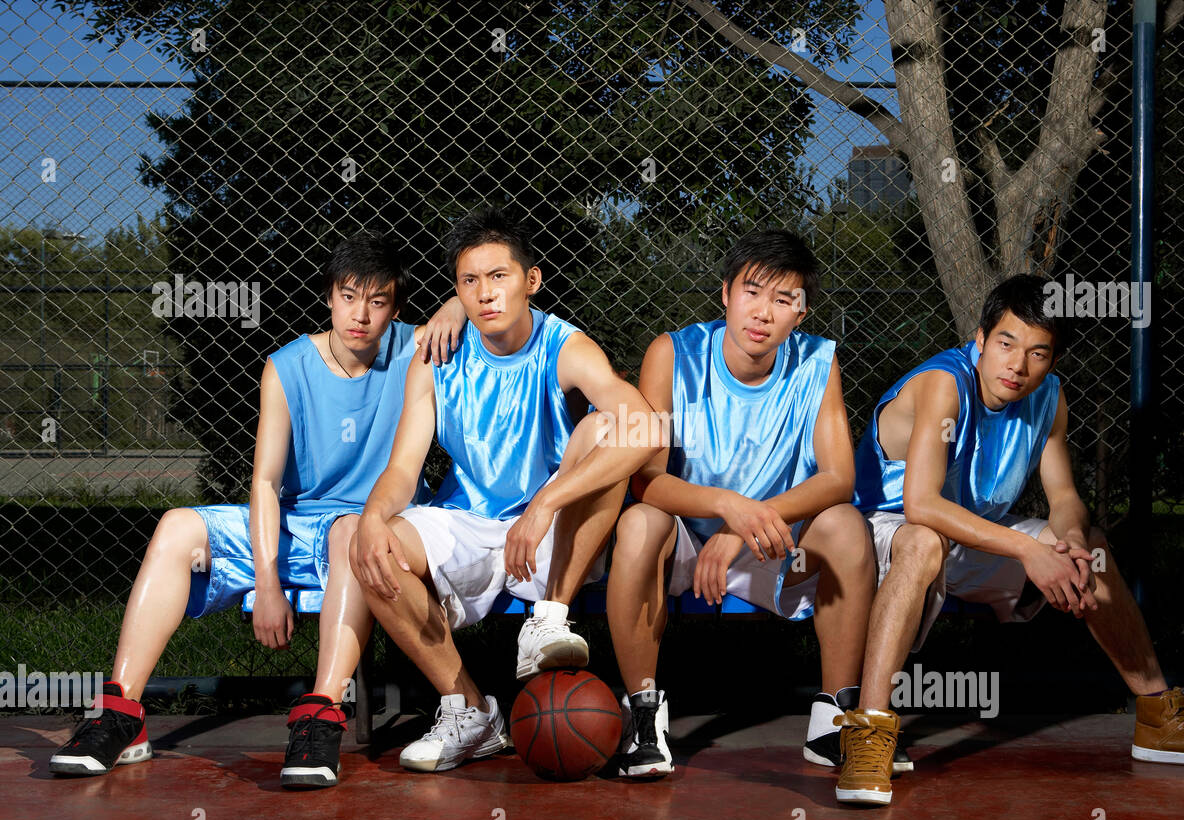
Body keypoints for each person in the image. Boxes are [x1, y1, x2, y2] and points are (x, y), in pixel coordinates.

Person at [839, 273, 1184, 805]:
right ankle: (869, 731)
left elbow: (1063, 495)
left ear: (1053, 359)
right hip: (881, 535)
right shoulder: (944, 385)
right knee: (924, 539)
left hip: (971, 532)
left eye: (1038, 352)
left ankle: (1159, 716)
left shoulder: (1048, 399)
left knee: (1094, 547)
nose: (1017, 365)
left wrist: (1067, 544)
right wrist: (1028, 550)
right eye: (1005, 343)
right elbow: (921, 505)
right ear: (979, 339)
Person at [50, 231, 439, 788]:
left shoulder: (415, 348)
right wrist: (267, 580)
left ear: (396, 309)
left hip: (370, 530)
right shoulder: (287, 368)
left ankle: (320, 714)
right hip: (297, 524)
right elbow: (264, 480)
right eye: (349, 296)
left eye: (378, 302)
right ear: (329, 296)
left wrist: (450, 303)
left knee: (351, 529)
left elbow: (473, 308)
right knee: (177, 525)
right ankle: (122, 712)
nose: (361, 314)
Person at [350, 206, 659, 773]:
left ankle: (551, 617)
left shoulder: (564, 345)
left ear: (531, 281)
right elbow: (401, 469)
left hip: (552, 534)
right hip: (468, 519)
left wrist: (544, 504)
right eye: (469, 281)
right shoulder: (436, 356)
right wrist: (371, 518)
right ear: (457, 291)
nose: (485, 293)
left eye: (499, 277)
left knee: (605, 428)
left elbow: (642, 427)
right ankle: (468, 710)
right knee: (373, 546)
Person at [606, 228, 870, 778]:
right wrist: (729, 508)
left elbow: (840, 477)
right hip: (683, 540)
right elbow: (646, 477)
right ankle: (645, 720)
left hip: (771, 541)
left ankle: (832, 722)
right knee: (638, 524)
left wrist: (749, 522)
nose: (763, 312)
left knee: (845, 526)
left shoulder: (817, 361)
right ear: (725, 292)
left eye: (783, 299)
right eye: (752, 291)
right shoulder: (673, 353)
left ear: (801, 313)